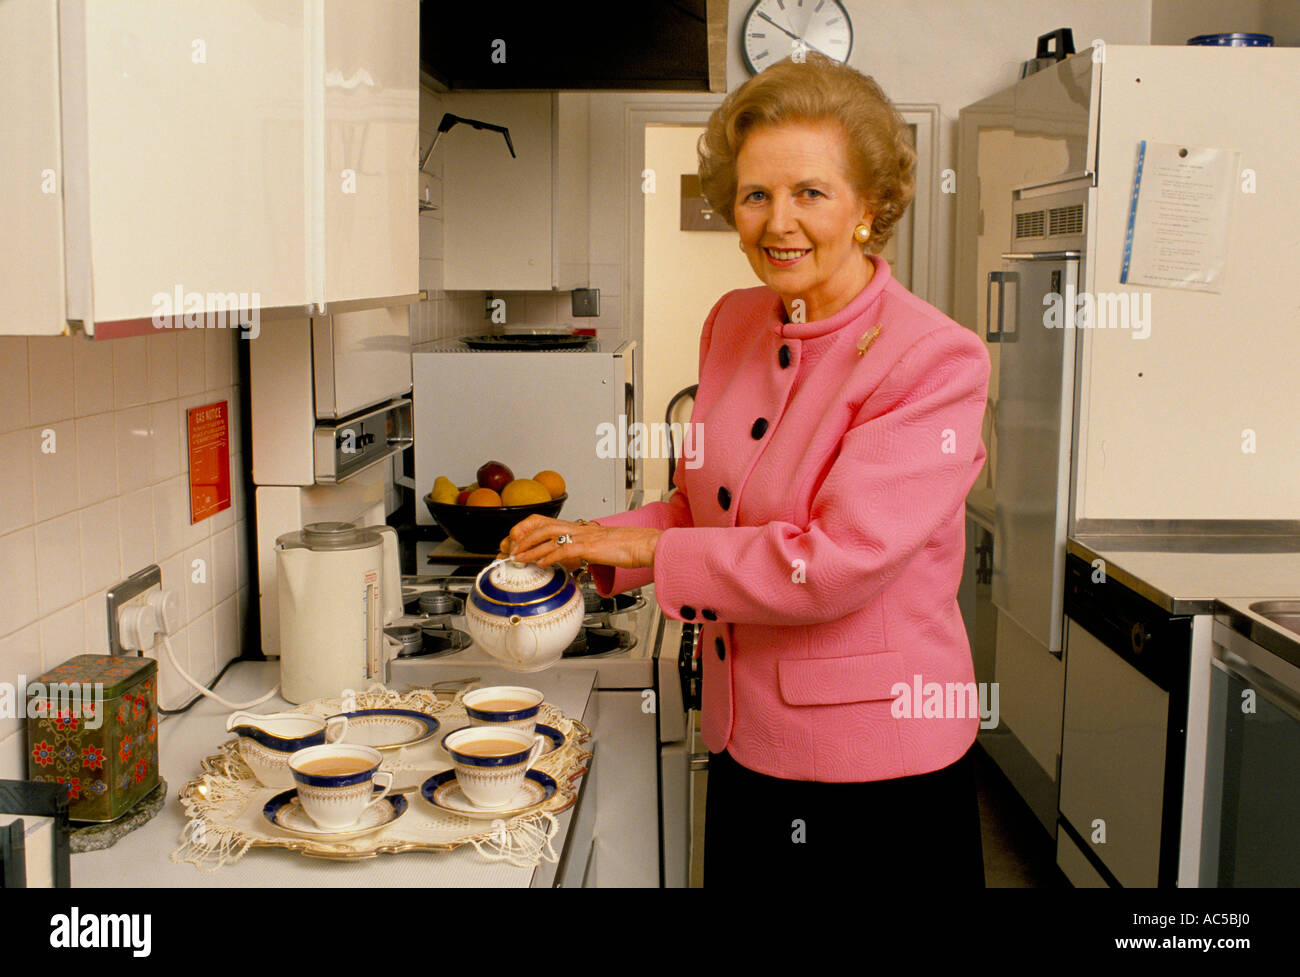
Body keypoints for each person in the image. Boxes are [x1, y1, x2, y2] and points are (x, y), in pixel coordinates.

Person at [503, 53, 990, 886]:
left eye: (810, 193)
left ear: (869, 206)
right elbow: (702, 507)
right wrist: (588, 539)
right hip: (744, 738)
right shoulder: (734, 322)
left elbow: (832, 564)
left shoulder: (932, 358)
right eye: (756, 194)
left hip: (876, 771)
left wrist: (644, 556)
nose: (778, 222)